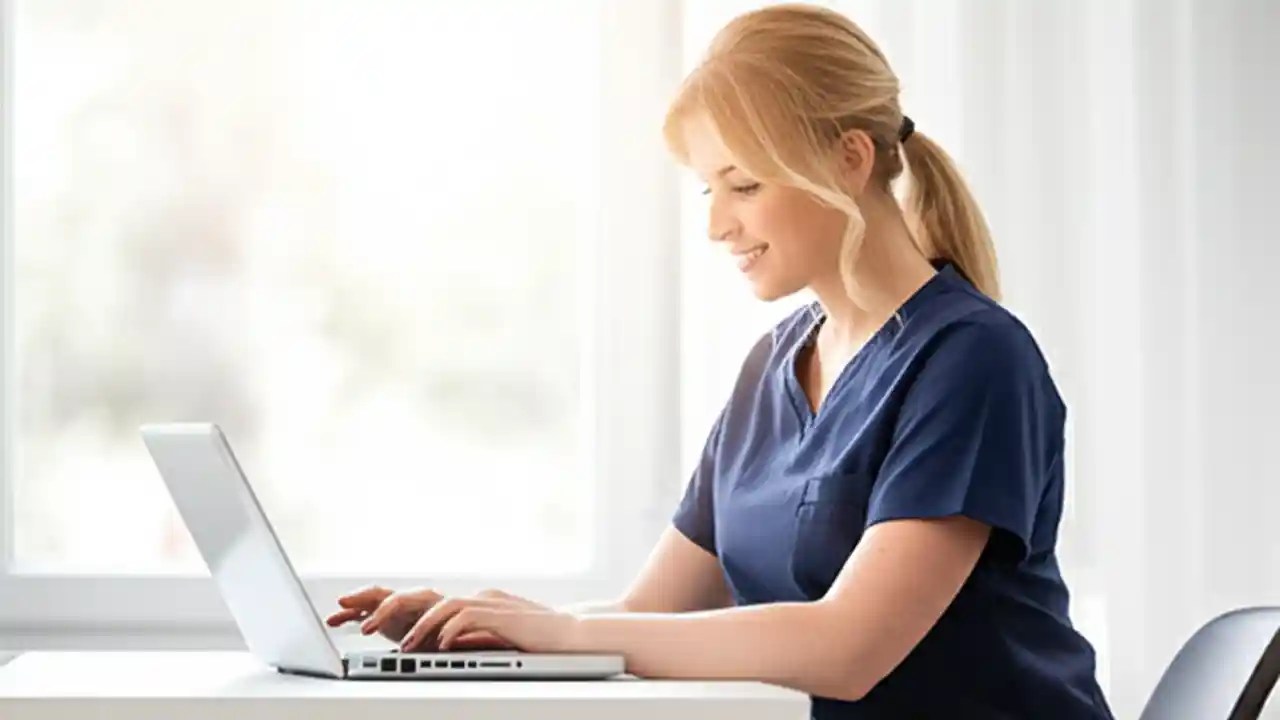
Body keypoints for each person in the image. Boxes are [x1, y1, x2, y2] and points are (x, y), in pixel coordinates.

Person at [327, 3, 1114, 717]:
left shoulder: (972, 360)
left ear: (850, 159)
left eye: (743, 184)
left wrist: (562, 633)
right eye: (709, 190)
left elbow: (848, 650)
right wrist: (480, 630)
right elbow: (651, 617)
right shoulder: (774, 365)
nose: (719, 226)